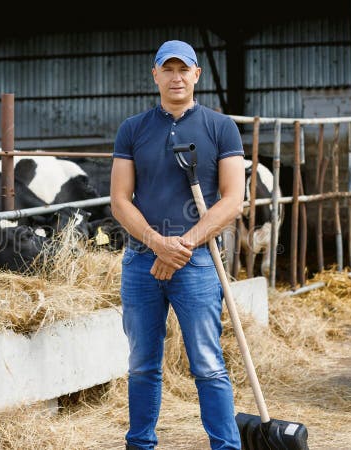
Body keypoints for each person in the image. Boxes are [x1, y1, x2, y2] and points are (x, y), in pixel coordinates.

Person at [110, 39, 246, 450]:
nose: (176, 77)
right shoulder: (132, 129)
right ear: (155, 75)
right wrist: (155, 243)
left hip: (199, 262)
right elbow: (119, 200)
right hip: (140, 262)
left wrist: (181, 246)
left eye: (183, 69)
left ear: (196, 75)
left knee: (207, 364)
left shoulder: (221, 127)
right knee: (142, 365)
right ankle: (140, 444)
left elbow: (233, 199)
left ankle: (226, 446)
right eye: (167, 69)